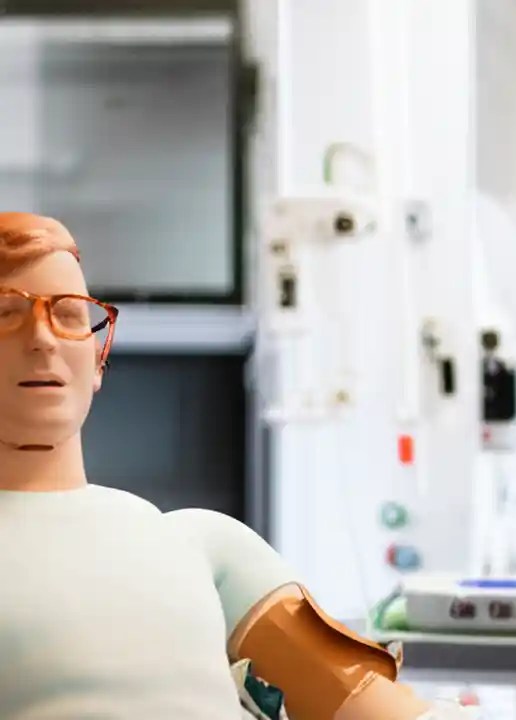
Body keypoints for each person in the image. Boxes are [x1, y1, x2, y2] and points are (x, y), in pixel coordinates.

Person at [0, 212, 464, 719]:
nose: (42, 338)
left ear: (98, 355)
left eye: (68, 315)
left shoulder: (204, 547)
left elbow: (373, 709)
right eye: (6, 313)